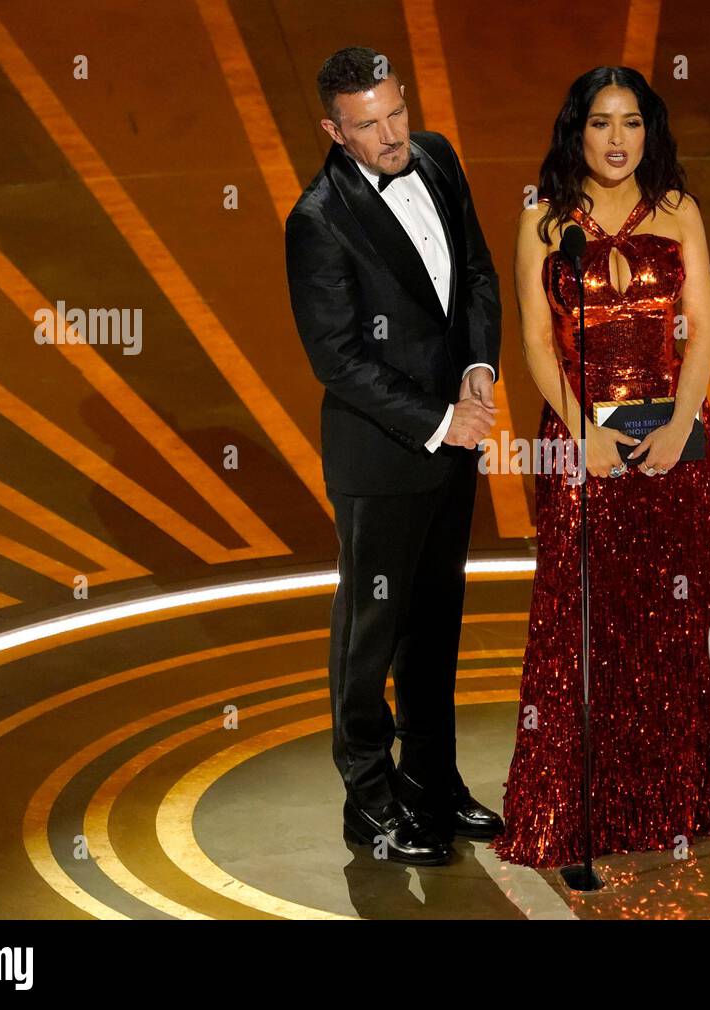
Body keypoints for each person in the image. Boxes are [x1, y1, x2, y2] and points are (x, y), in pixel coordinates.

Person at [490, 66, 710, 867]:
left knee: (671, 622)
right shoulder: (542, 220)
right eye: (601, 123)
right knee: (583, 622)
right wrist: (581, 433)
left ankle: (677, 803)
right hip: (580, 441)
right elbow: (535, 341)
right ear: (576, 130)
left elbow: (702, 329)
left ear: (650, 131)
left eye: (631, 123)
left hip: (673, 441)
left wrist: (679, 427)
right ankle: (577, 816)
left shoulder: (679, 213)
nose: (616, 140)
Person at [284, 46, 504, 866]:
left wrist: (480, 366)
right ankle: (370, 804)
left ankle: (434, 782)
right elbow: (338, 359)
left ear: (406, 99)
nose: (390, 137)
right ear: (333, 131)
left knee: (437, 623)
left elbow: (476, 274)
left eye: (395, 114)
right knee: (368, 636)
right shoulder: (317, 221)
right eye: (368, 126)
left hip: (453, 446)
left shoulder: (437, 158)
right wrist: (444, 420)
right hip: (382, 460)